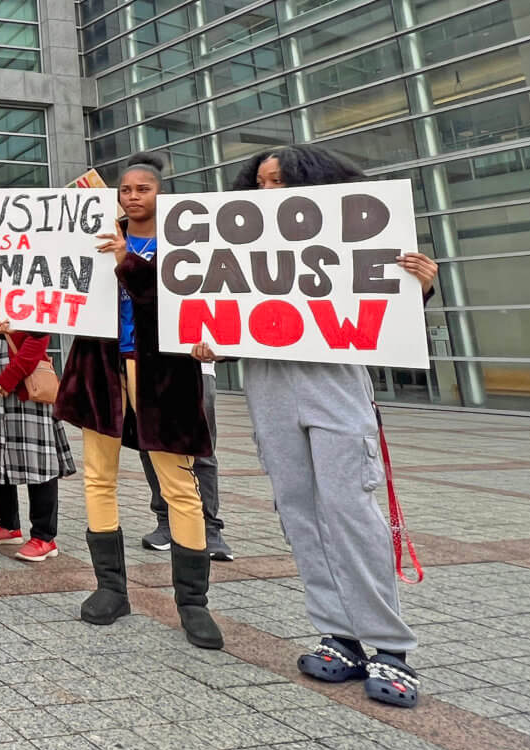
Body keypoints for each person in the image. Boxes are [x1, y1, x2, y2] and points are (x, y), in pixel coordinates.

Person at [206, 144, 437, 708]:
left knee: (350, 511)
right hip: (269, 389)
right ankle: (339, 634)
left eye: (280, 181)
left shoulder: (353, 237)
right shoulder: (242, 248)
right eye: (260, 183)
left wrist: (421, 286)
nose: (268, 193)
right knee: (300, 514)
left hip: (334, 386)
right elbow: (225, 315)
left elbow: (387, 312)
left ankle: (389, 648)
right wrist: (208, 340)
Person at [53, 151, 222, 650]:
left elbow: (176, 297)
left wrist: (128, 258)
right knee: (98, 477)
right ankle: (110, 588)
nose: (132, 195)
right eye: (125, 188)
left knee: (179, 483)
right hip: (99, 367)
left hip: (165, 371)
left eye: (142, 188)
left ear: (159, 194)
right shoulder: (93, 235)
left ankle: (193, 603)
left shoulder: (186, 241)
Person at [0, 324, 74, 562]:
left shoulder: (30, 293)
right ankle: (8, 524)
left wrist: (8, 379)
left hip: (26, 382)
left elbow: (39, 336)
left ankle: (44, 536)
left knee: (38, 458)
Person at [140, 366, 231, 560]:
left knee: (201, 451)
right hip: (146, 368)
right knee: (151, 449)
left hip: (197, 367)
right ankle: (166, 522)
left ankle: (209, 528)